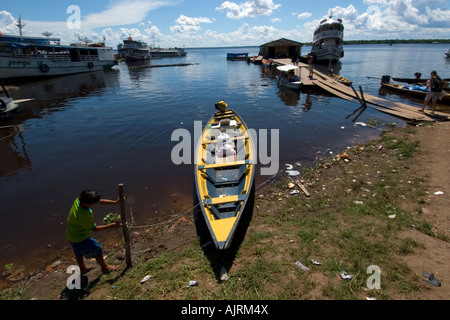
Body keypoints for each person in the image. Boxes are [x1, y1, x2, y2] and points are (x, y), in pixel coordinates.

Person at [66, 189, 122, 274]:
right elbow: (94, 229)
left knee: (78, 252)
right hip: (80, 237)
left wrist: (115, 202)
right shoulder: (82, 215)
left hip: (71, 234)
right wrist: (112, 225)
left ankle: (83, 268)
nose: (95, 204)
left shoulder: (79, 200)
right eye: (94, 203)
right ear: (87, 203)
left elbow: (100, 201)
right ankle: (105, 268)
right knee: (97, 248)